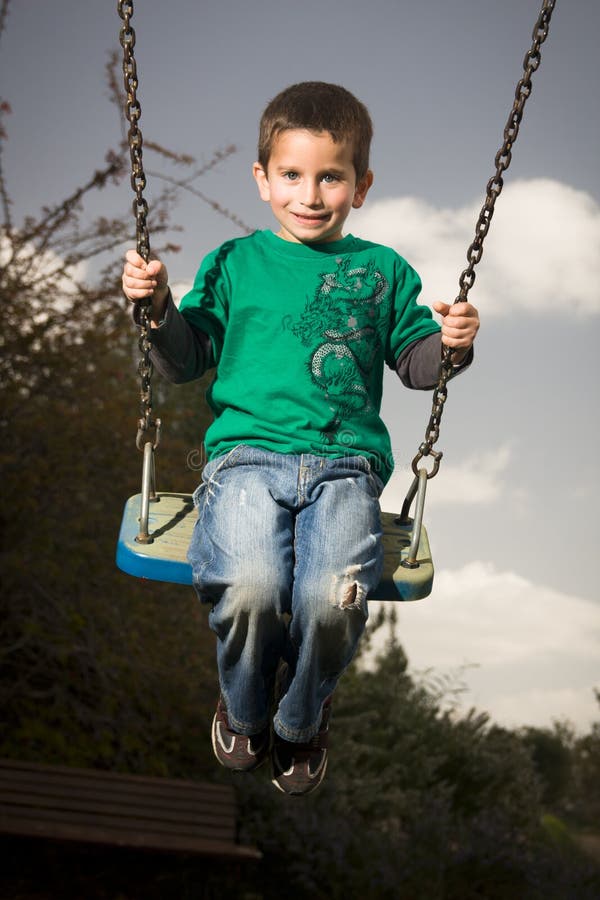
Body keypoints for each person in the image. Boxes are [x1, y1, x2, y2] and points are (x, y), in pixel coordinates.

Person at [121, 81, 479, 796]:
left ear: (361, 185)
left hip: (346, 470)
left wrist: (453, 343)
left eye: (330, 177)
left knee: (331, 599)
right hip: (246, 461)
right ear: (262, 179)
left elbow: (417, 365)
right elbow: (188, 358)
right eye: (291, 175)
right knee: (250, 586)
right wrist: (156, 310)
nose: (310, 194)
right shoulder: (234, 264)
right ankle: (247, 711)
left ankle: (300, 719)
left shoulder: (382, 273)